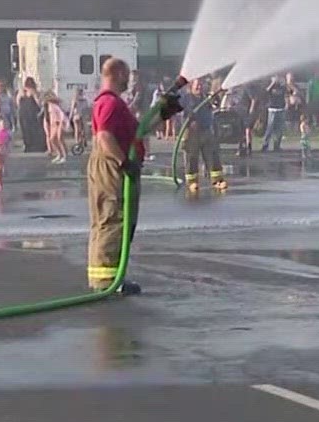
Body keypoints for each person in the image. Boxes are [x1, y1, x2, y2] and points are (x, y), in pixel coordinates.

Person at [86, 57, 164, 293]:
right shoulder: (110, 103)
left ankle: (110, 278)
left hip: (111, 166)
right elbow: (104, 136)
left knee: (115, 220)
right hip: (112, 168)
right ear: (119, 73)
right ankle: (106, 281)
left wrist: (166, 109)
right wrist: (124, 162)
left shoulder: (113, 103)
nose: (129, 81)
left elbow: (140, 129)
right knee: (113, 219)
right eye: (127, 76)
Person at [181, 77, 226, 193]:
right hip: (191, 133)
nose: (199, 87)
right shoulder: (186, 98)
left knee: (212, 156)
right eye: (197, 85)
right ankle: (192, 182)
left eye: (201, 85)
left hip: (206, 131)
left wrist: (215, 96)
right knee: (192, 157)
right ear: (191, 86)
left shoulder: (206, 98)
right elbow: (182, 111)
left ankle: (217, 180)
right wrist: (189, 119)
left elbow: (215, 105)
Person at [17, 78, 45, 155]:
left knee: (25, 130)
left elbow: (17, 102)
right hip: (32, 112)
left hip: (23, 112)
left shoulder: (21, 91)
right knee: (33, 129)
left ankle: (27, 146)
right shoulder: (32, 91)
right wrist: (41, 108)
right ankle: (35, 146)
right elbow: (38, 101)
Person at [260, 74, 288, 152]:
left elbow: (286, 94)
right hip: (272, 109)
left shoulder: (282, 87)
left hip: (281, 108)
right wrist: (272, 83)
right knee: (270, 128)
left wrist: (286, 104)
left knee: (279, 129)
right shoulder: (270, 86)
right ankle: (265, 145)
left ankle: (277, 145)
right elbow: (266, 91)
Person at [44, 93, 69, 164]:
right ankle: (59, 154)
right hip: (53, 124)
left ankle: (64, 156)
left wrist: (61, 122)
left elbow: (61, 114)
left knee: (59, 139)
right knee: (52, 139)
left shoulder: (54, 105)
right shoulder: (48, 106)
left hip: (58, 123)